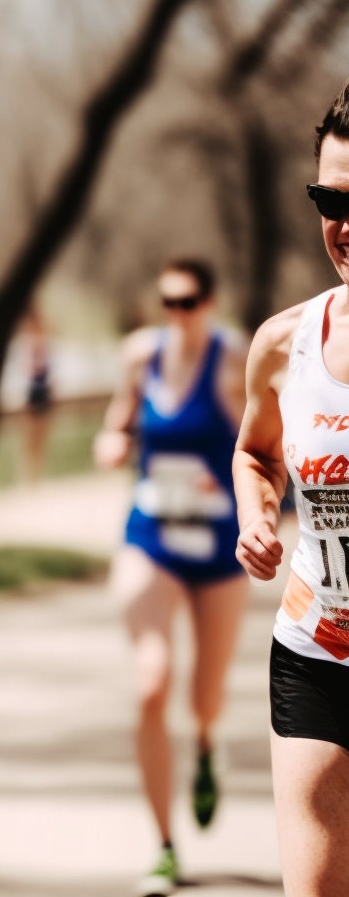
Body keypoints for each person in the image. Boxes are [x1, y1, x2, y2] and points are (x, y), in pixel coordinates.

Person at [93, 256, 249, 897]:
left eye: (188, 302)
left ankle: (207, 744)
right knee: (152, 684)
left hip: (217, 543)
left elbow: (260, 441)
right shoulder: (140, 356)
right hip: (152, 536)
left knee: (203, 697)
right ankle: (163, 845)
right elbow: (119, 418)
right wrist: (112, 441)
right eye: (167, 301)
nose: (176, 314)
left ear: (209, 303)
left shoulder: (235, 359)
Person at [235, 77, 349, 897]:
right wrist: (255, 516)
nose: (345, 226)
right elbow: (254, 454)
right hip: (318, 651)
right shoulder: (284, 345)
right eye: (329, 197)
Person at [19, 302, 54, 484]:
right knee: (30, 433)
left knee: (41, 433)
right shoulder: (28, 340)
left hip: (42, 388)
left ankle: (36, 473)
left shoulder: (42, 338)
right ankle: (28, 474)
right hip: (34, 388)